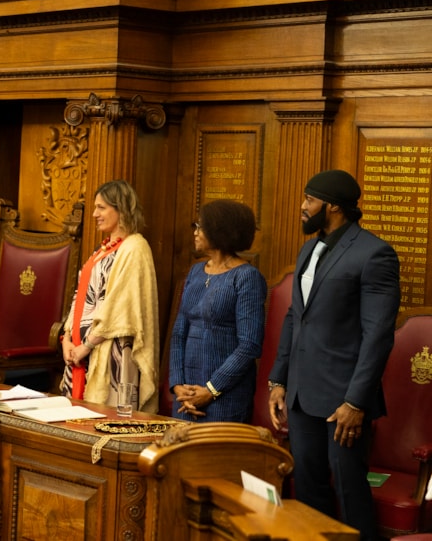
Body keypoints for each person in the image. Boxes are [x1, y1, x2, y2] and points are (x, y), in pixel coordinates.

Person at [268, 169, 399, 540]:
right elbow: (296, 316)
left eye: (309, 200)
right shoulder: (309, 248)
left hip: (343, 402)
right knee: (308, 490)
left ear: (333, 206)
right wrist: (278, 379)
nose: (302, 207)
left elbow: (378, 335)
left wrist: (356, 402)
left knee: (349, 490)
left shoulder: (374, 253)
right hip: (300, 394)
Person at [59, 180, 159, 412]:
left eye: (101, 207)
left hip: (109, 353)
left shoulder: (136, 248)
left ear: (121, 208)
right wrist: (67, 338)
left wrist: (86, 345)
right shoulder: (103, 249)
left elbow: (122, 307)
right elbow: (81, 294)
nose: (94, 214)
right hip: (79, 354)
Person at [169, 199, 267, 422]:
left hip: (225, 399)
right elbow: (178, 333)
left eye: (200, 227)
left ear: (219, 230)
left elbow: (249, 345)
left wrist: (211, 390)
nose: (195, 232)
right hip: (185, 399)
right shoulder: (195, 271)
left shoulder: (247, 277)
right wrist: (177, 385)